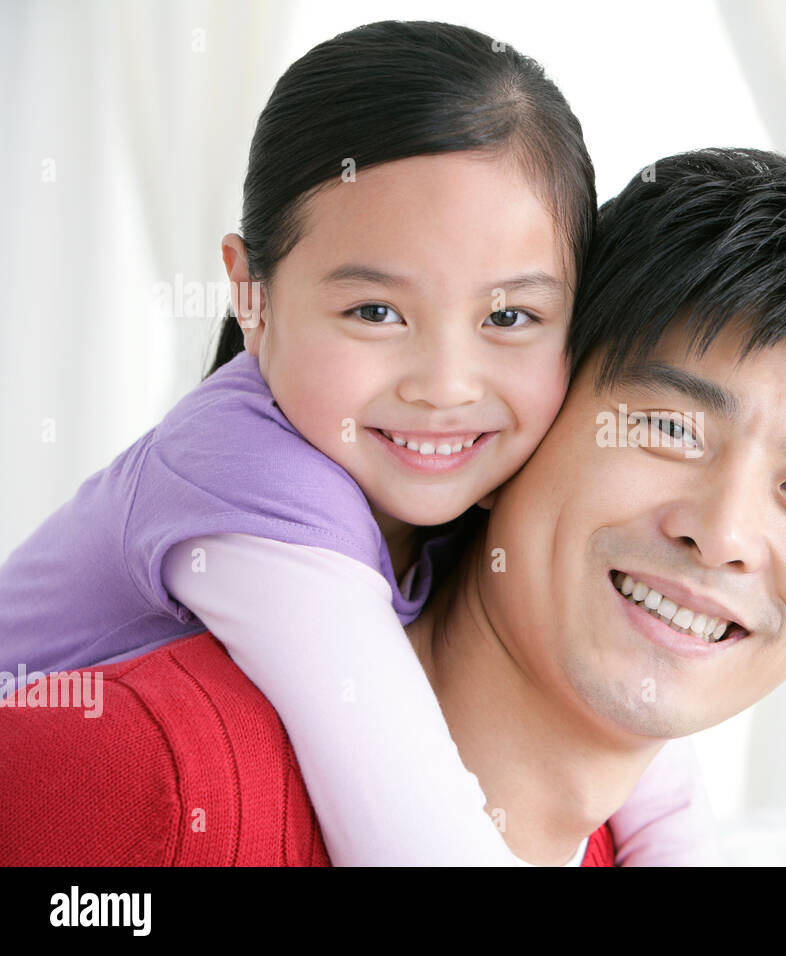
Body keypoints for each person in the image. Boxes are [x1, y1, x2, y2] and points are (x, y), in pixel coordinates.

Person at [0, 147, 786, 866]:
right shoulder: (136, 777)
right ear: (511, 429)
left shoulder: (615, 837)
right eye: (669, 429)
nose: (725, 532)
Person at [0, 20, 711, 866]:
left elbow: (662, 791)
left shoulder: (480, 479)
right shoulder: (252, 478)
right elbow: (420, 838)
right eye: (375, 312)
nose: (446, 385)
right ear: (251, 294)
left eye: (509, 317)